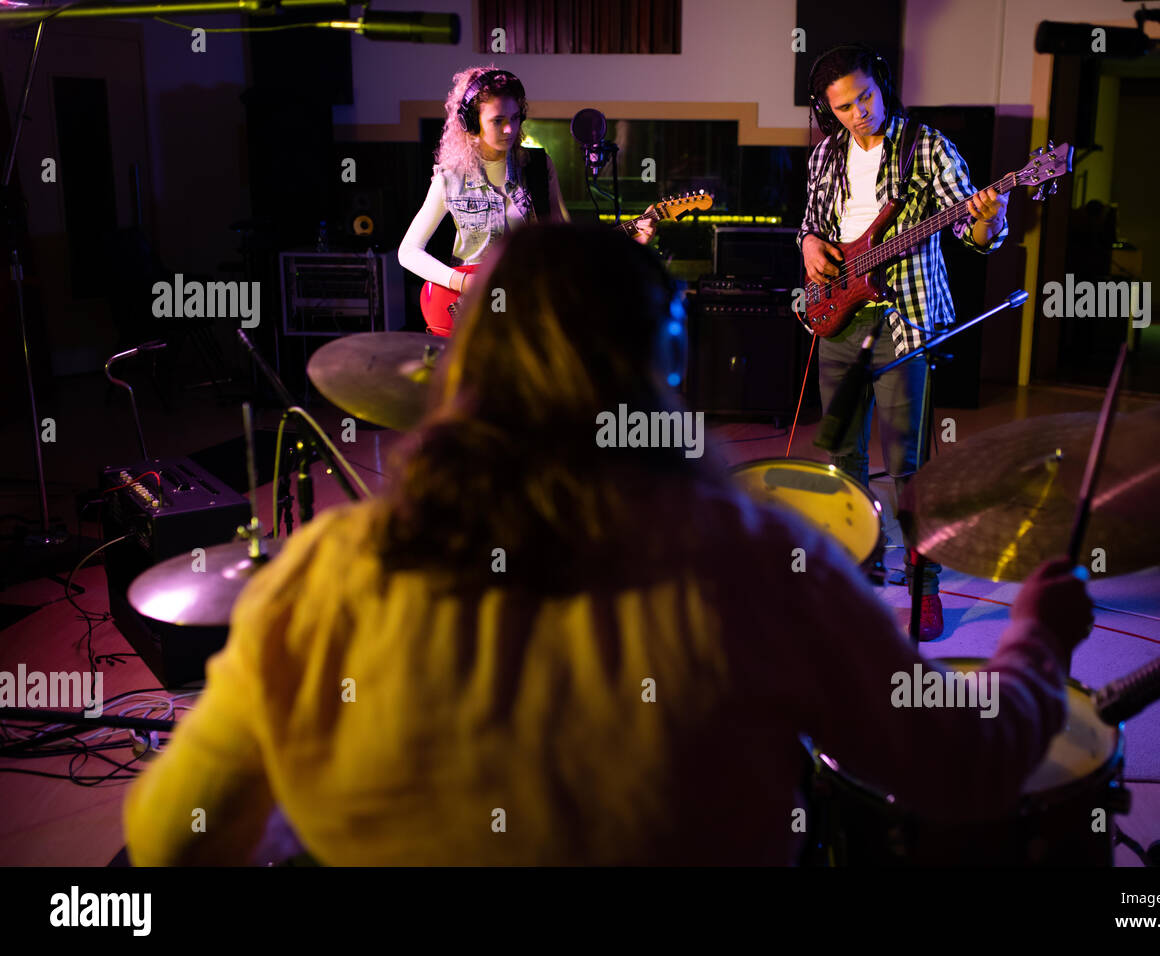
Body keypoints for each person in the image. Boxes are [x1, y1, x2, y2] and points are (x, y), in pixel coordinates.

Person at [122, 224, 1090, 866]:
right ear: (663, 368)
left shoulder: (327, 569)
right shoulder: (758, 562)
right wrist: (1036, 637)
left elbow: (169, 834)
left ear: (458, 370)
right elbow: (963, 765)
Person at [798, 45, 1010, 640]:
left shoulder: (927, 147)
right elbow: (812, 228)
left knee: (909, 466)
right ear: (828, 110)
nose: (859, 112)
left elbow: (977, 234)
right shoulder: (825, 155)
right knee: (842, 460)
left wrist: (989, 218)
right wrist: (810, 248)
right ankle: (858, 576)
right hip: (840, 320)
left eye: (866, 96)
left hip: (905, 321)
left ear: (883, 86)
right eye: (843, 106)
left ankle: (926, 588)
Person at [398, 65, 651, 334]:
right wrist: (462, 283)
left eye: (515, 117)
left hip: (526, 307)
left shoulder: (538, 167)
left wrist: (631, 241)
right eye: (498, 120)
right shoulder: (449, 179)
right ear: (472, 124)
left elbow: (566, 248)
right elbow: (408, 252)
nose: (509, 129)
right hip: (469, 309)